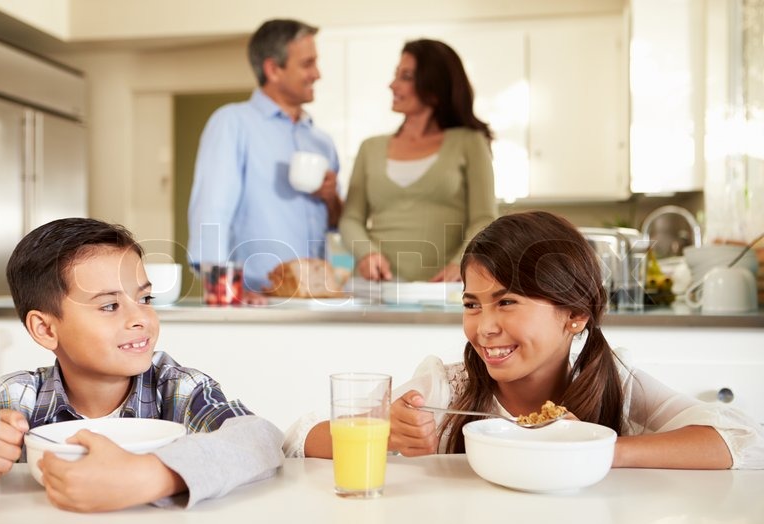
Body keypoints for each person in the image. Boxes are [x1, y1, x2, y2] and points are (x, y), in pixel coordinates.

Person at [290, 211, 764, 469]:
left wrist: (597, 450)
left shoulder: (614, 384)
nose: (484, 327)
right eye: (472, 304)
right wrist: (386, 432)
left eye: (507, 302)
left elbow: (741, 439)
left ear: (575, 315)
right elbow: (298, 438)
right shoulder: (446, 390)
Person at [0, 218, 285, 512]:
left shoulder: (179, 389)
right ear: (45, 329)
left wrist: (154, 476)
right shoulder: (14, 397)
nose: (141, 318)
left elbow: (260, 440)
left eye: (145, 298)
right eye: (109, 306)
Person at [187, 18, 342, 293]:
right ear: (273, 69)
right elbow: (211, 213)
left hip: (314, 296)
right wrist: (224, 289)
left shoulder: (322, 142)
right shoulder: (233, 123)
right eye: (307, 64)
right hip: (255, 296)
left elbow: (336, 224)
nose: (317, 74)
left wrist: (331, 198)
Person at [339, 39, 496, 283]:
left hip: (441, 289)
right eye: (396, 75)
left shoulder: (470, 143)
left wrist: (462, 263)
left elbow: (484, 218)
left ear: (434, 87)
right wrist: (366, 253)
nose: (392, 85)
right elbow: (351, 218)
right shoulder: (370, 147)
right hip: (375, 287)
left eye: (406, 77)